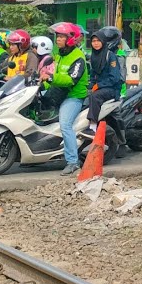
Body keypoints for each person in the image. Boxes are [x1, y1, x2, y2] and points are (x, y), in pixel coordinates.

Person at [47, 22, 90, 175]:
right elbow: (54, 73)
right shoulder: (60, 54)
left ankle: (73, 162)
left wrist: (51, 78)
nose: (58, 39)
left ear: (70, 39)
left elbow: (71, 79)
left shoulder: (78, 57)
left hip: (73, 97)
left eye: (61, 37)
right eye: (57, 37)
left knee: (65, 124)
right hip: (59, 93)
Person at [85, 27, 124, 126]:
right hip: (100, 87)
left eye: (98, 41)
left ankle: (92, 125)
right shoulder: (94, 56)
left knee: (95, 96)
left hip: (112, 89)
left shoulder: (110, 56)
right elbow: (93, 75)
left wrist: (98, 85)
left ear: (103, 41)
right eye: (93, 41)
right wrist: (89, 85)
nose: (96, 43)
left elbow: (114, 78)